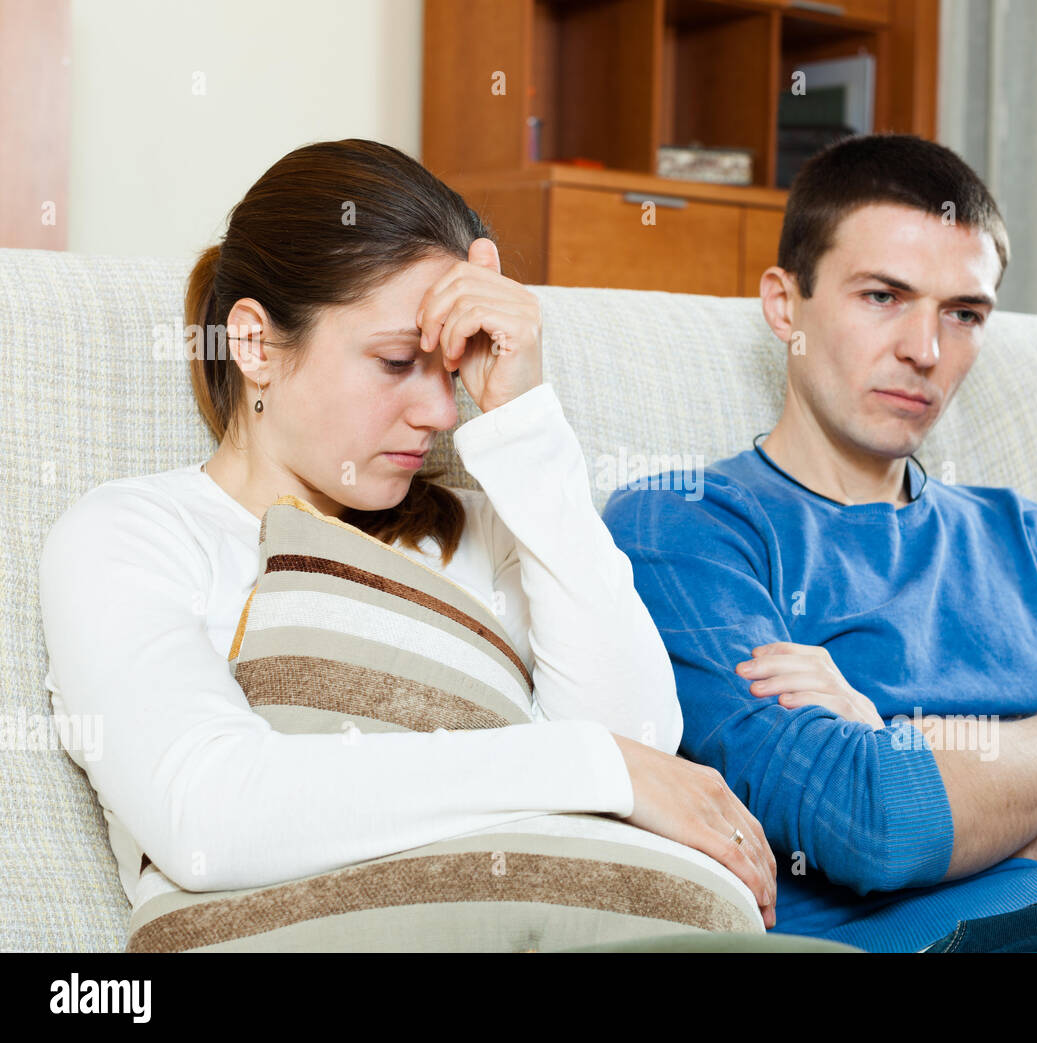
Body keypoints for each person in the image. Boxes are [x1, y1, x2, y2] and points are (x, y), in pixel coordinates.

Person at [37, 138, 778, 936]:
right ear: (254, 344)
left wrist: (525, 421)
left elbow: (640, 750)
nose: (443, 413)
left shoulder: (486, 530)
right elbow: (208, 815)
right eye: (396, 361)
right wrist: (598, 766)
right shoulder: (129, 536)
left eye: (452, 366)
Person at [601, 133, 1037, 952]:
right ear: (785, 305)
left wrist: (918, 757)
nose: (924, 351)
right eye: (882, 296)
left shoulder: (1034, 542)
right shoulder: (683, 524)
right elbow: (875, 823)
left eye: (963, 314)